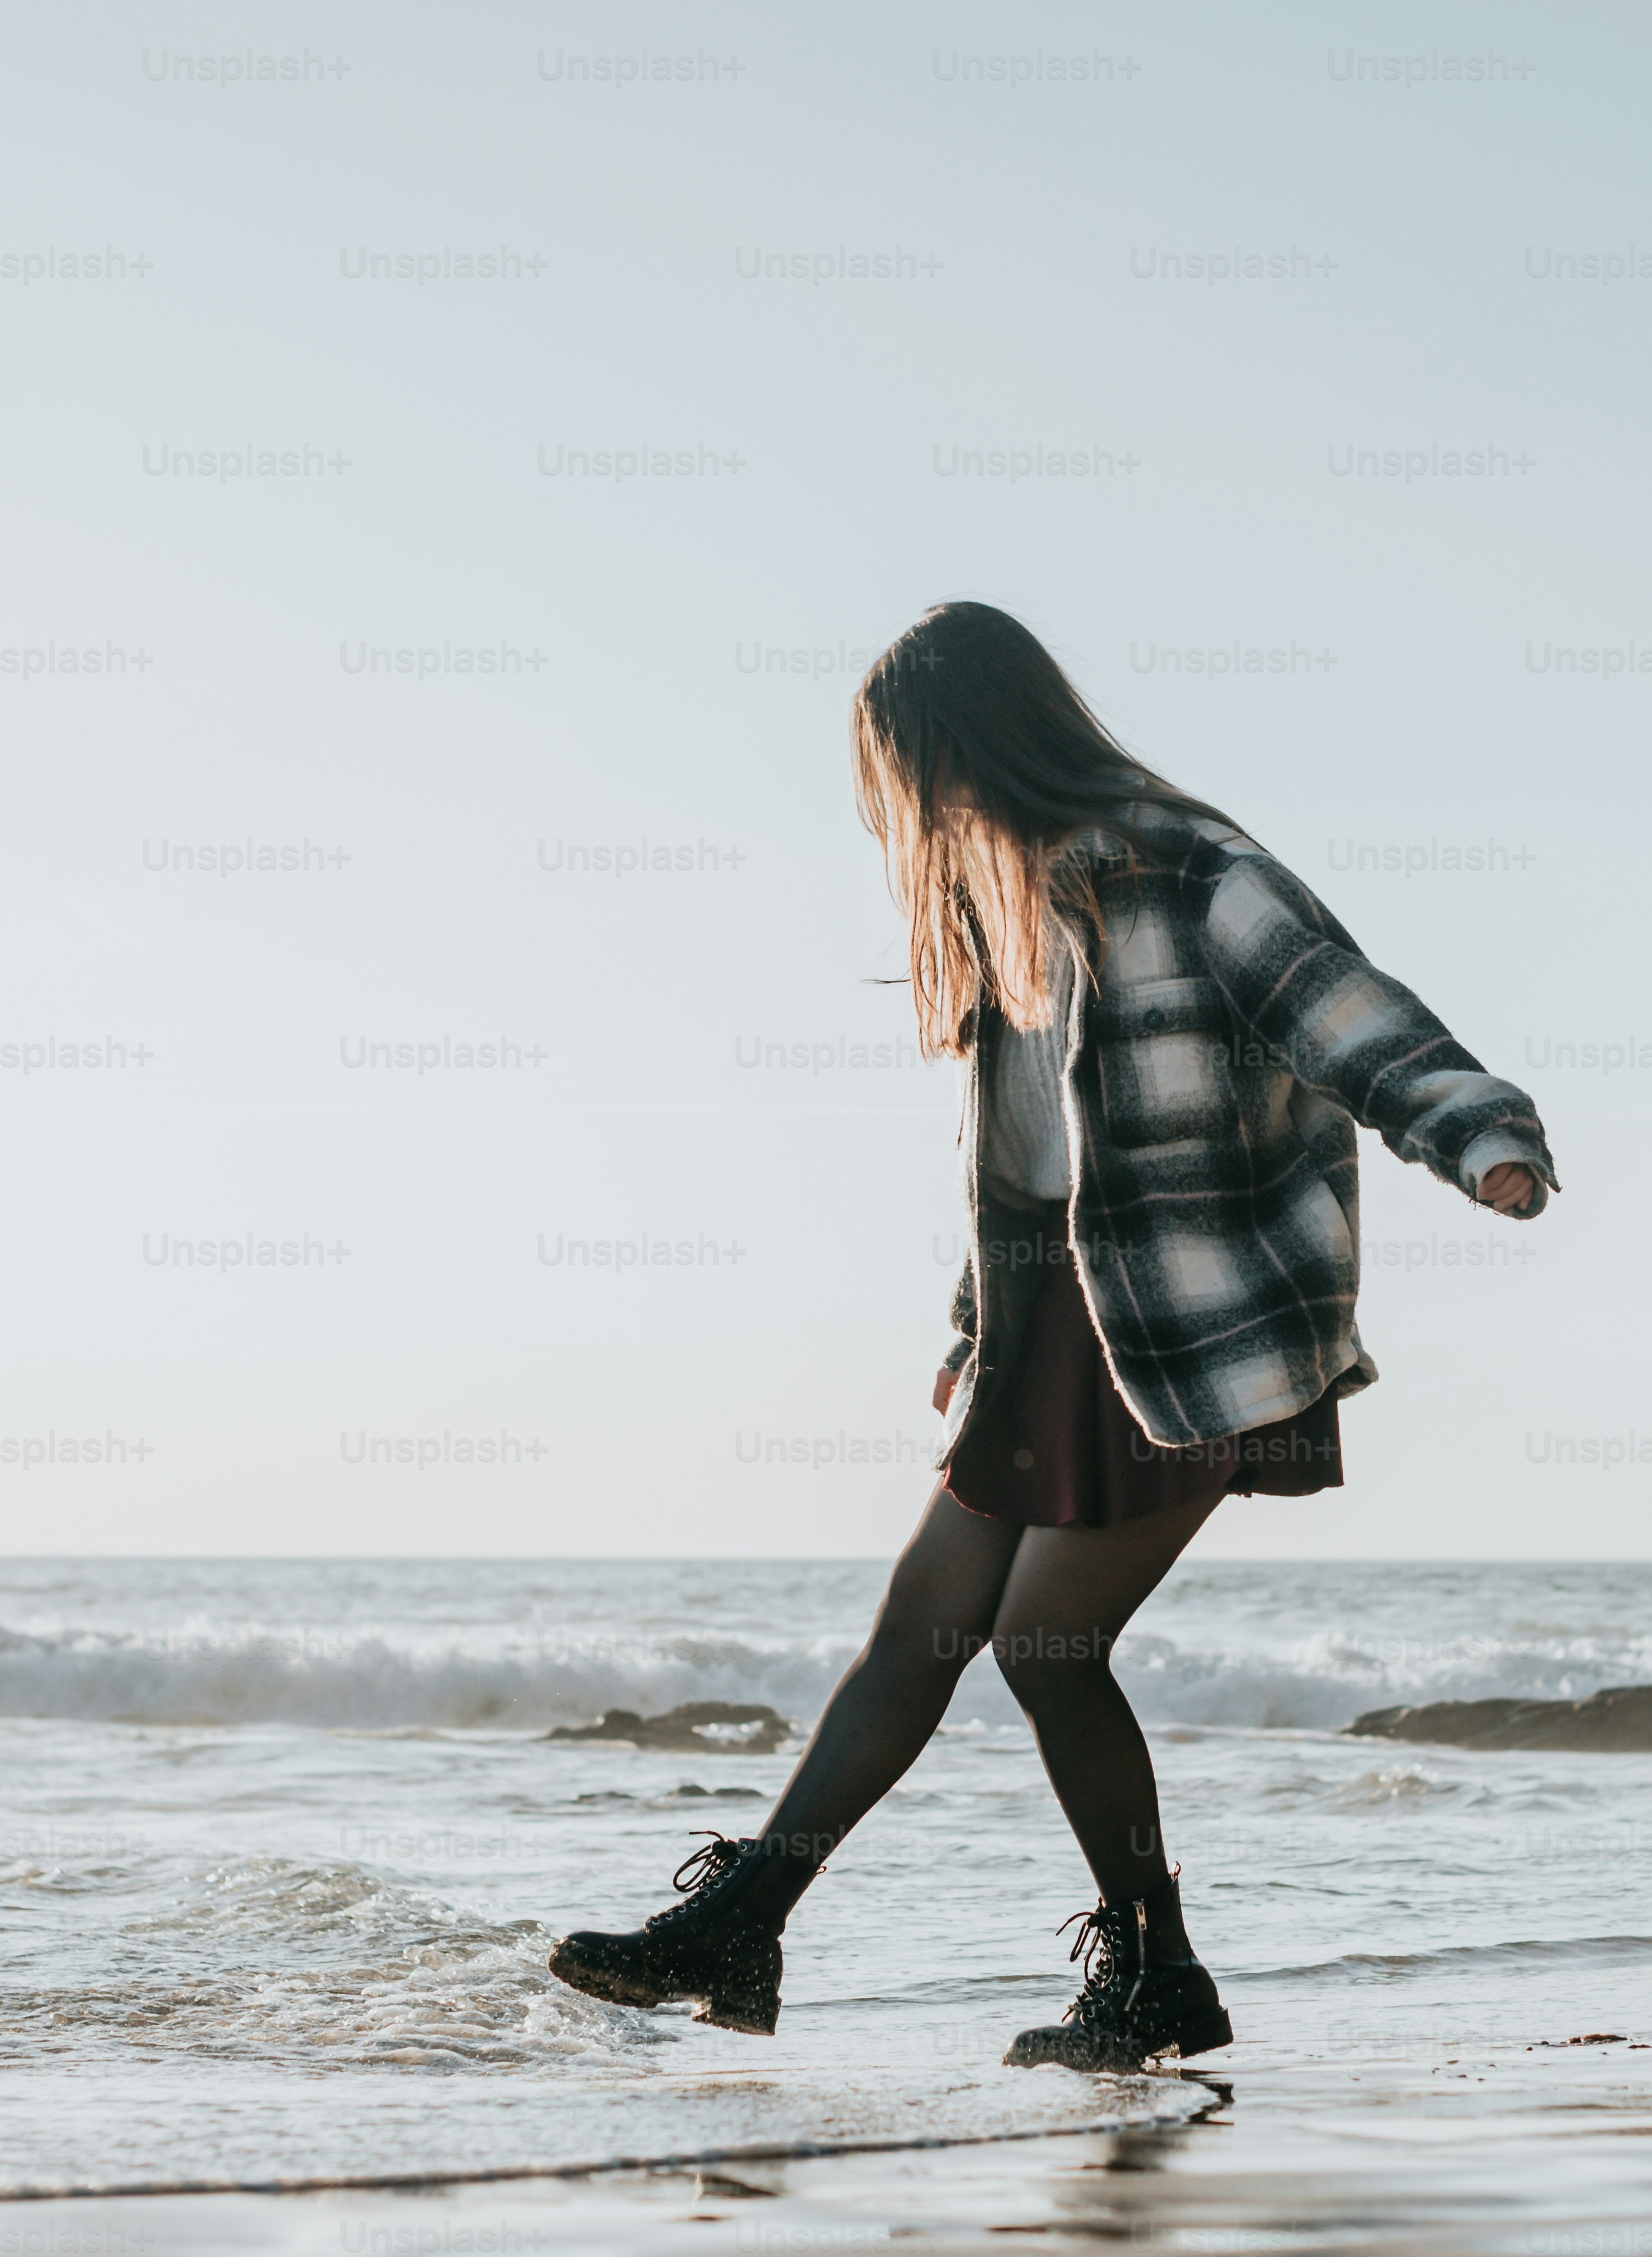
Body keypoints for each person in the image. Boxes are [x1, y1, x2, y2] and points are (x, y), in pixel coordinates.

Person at [548, 602, 1556, 2071]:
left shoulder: (1183, 863)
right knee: (920, 1626)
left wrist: (1482, 1141)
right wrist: (975, 1318)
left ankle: (1155, 1973)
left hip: (1194, 1321)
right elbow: (1021, 1153)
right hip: (1051, 1328)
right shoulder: (992, 907)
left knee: (1042, 1640)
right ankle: (744, 1921)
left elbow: (1350, 1016)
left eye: (913, 770)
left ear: (977, 743)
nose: (909, 809)